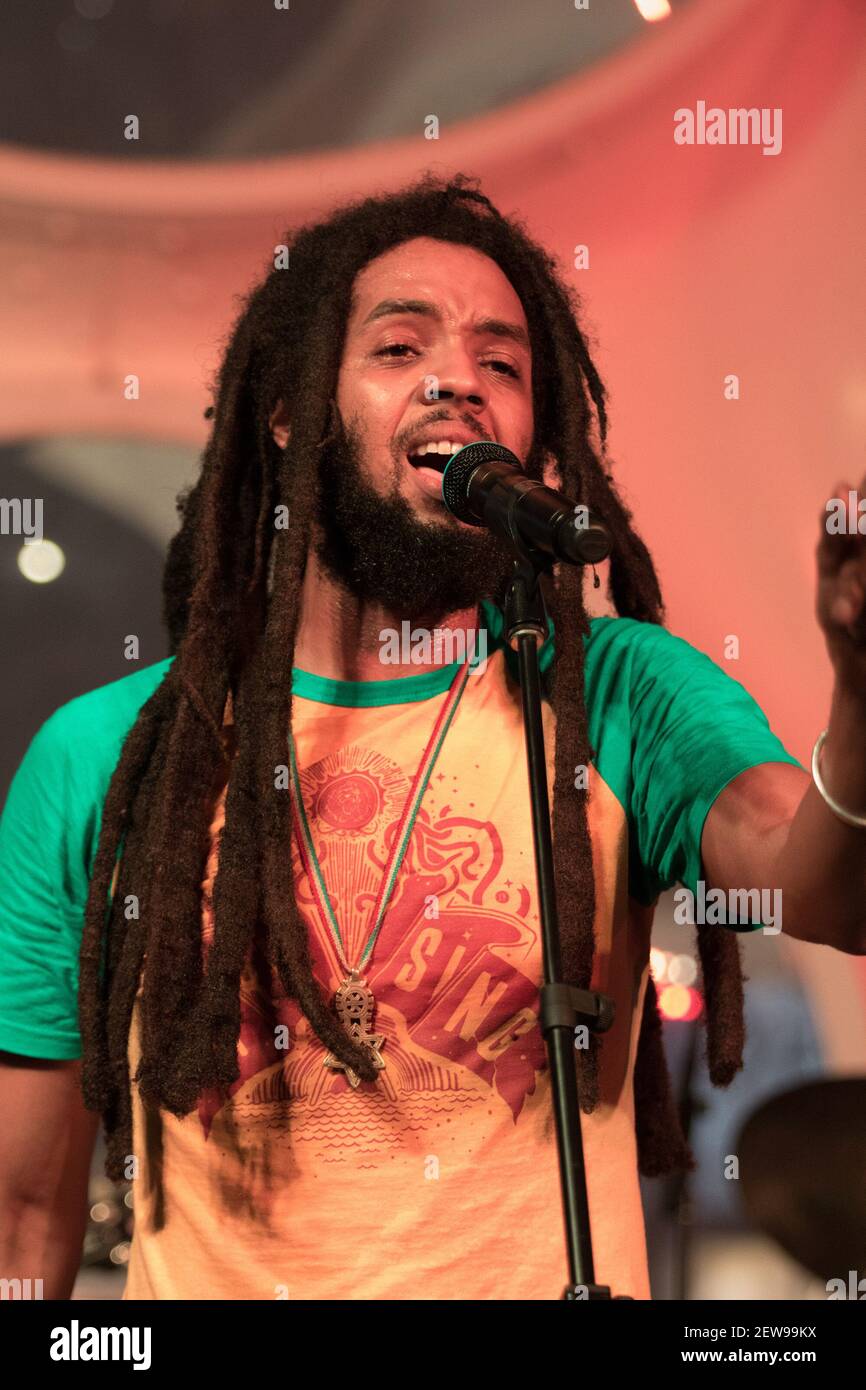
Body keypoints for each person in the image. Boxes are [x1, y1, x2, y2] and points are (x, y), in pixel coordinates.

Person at [0, 174, 863, 1302]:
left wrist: (858, 693)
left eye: (501, 365)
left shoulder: (610, 693)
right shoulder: (109, 756)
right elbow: (23, 1220)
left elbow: (822, 893)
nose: (457, 377)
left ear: (534, 453)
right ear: (291, 410)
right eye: (400, 347)